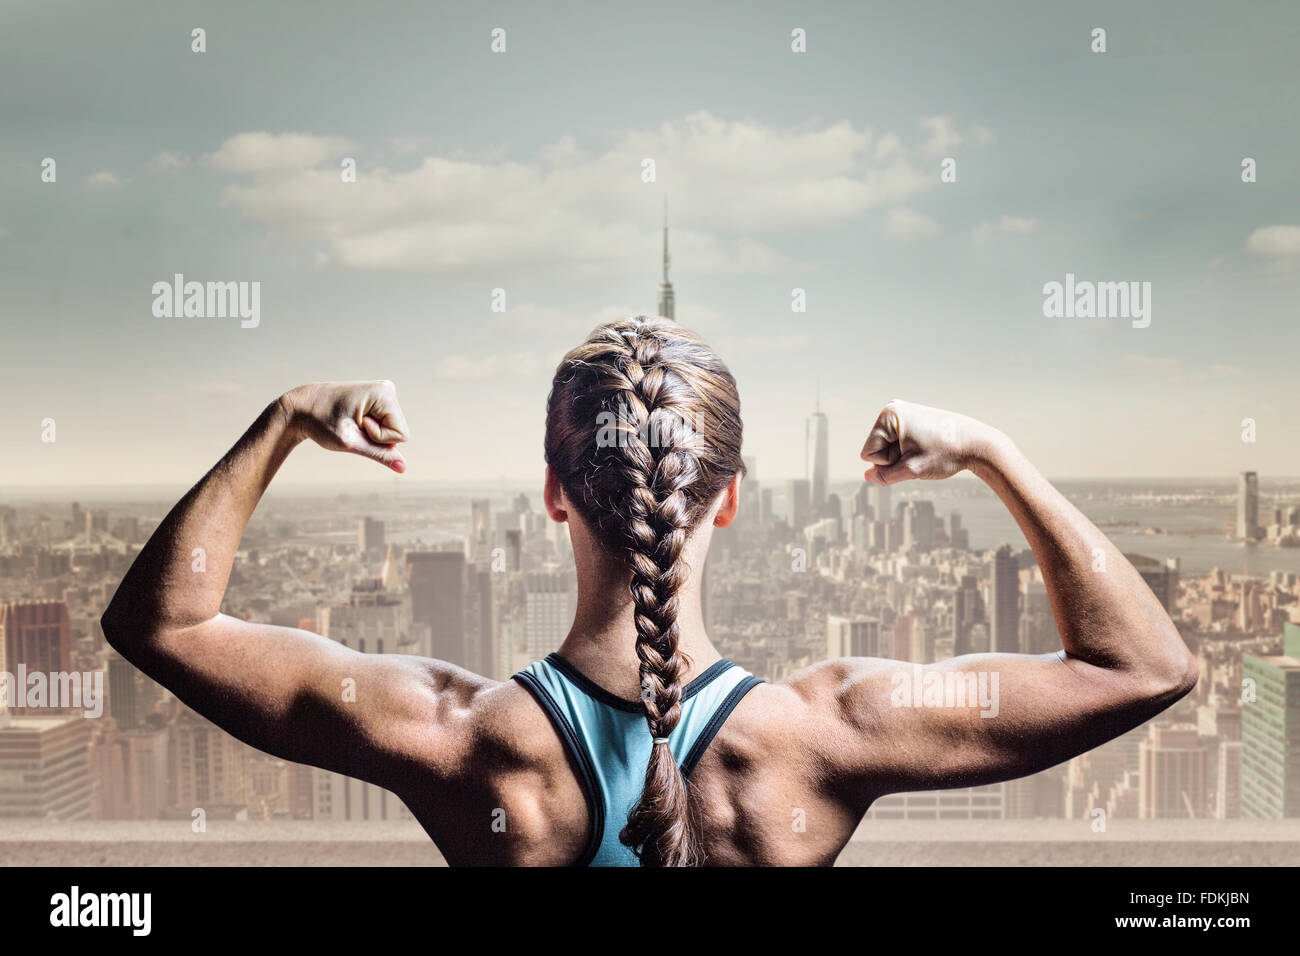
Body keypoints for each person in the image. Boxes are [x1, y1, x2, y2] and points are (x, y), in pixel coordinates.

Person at [101, 315, 1197, 866]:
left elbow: (164, 621)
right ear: (727, 501)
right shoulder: (822, 736)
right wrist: (992, 451)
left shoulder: (463, 738)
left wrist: (289, 414)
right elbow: (1142, 663)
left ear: (550, 493)